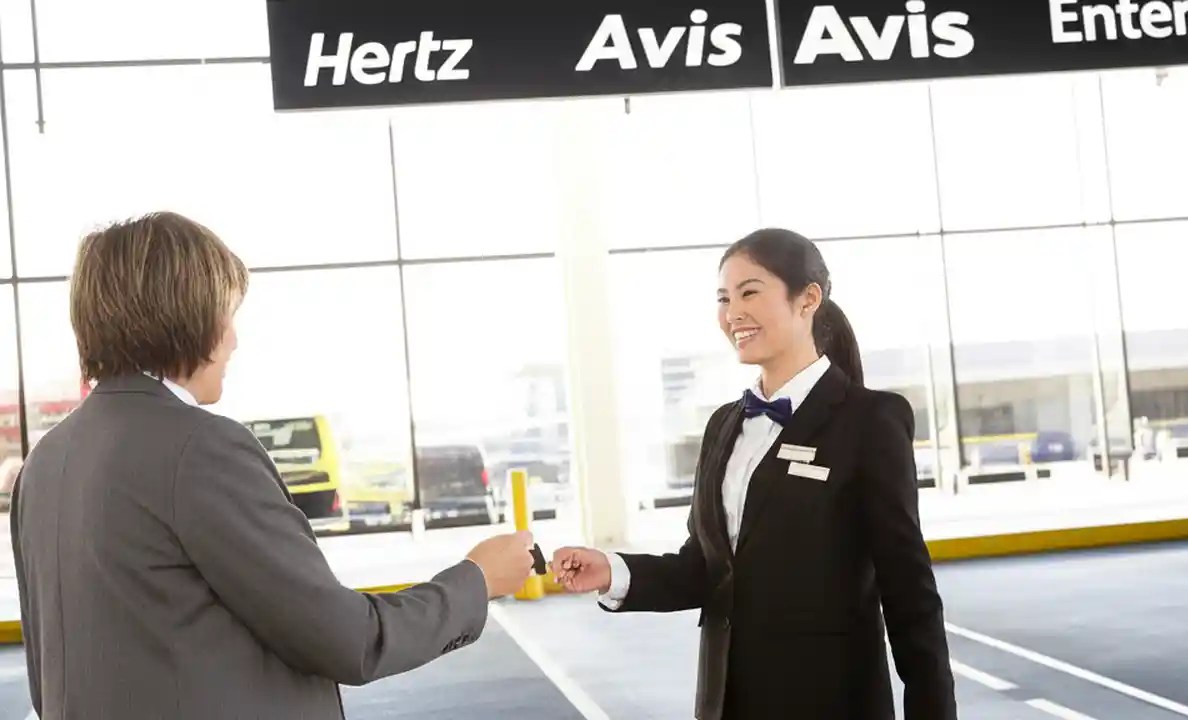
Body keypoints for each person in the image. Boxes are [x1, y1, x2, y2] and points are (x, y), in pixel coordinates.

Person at [11, 212, 536, 719]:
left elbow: (47, 676)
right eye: (227, 314)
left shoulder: (45, 463)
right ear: (185, 315)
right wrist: (478, 580)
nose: (233, 340)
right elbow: (349, 640)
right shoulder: (199, 449)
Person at [554, 228, 957, 720]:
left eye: (749, 292)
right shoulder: (724, 425)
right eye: (724, 298)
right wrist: (613, 571)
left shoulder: (869, 421)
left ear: (808, 298)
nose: (732, 313)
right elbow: (705, 568)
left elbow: (909, 592)